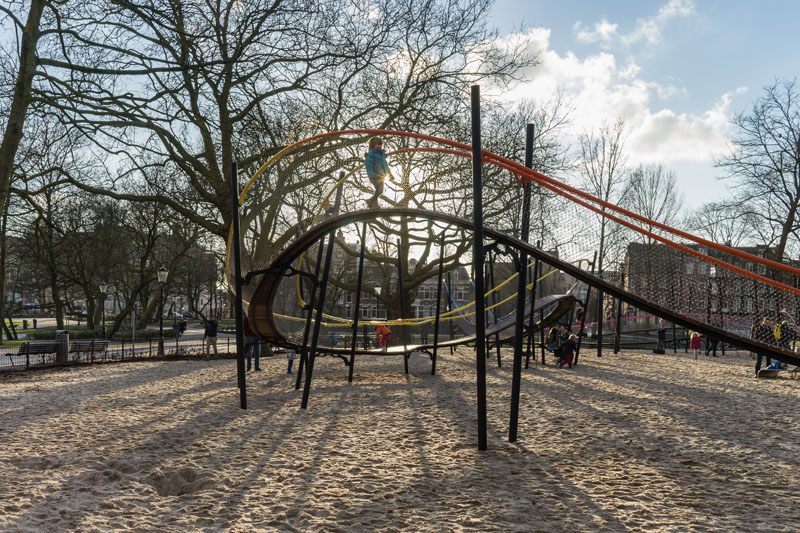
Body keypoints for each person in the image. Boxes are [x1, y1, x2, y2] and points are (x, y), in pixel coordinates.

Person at [364, 136, 394, 209]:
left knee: (380, 191)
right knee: (379, 190)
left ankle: (374, 204)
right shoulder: (371, 155)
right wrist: (371, 174)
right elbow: (369, 165)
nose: (380, 146)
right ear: (372, 145)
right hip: (374, 176)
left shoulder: (381, 155)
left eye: (380, 144)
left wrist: (389, 175)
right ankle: (371, 201)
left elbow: (385, 166)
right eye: (378, 144)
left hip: (381, 176)